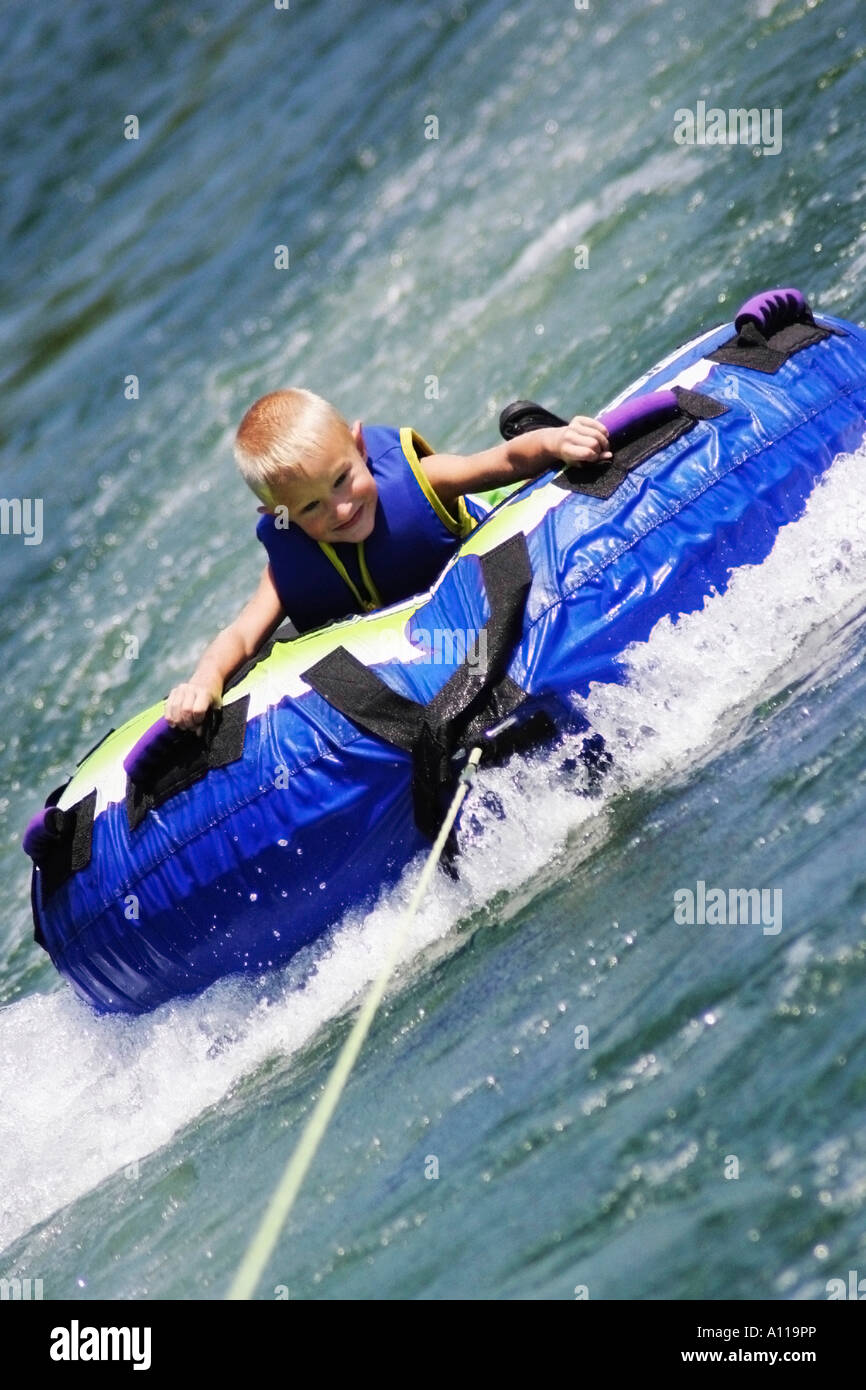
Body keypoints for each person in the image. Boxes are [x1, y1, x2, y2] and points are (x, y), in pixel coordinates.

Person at [164, 387, 610, 731]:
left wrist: (555, 441)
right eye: (310, 508)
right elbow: (242, 635)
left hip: (475, 582)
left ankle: (544, 429)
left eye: (342, 479)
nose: (340, 509)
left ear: (360, 447)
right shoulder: (290, 565)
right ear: (279, 514)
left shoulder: (419, 484)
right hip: (409, 659)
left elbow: (503, 460)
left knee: (505, 482)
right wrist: (204, 681)